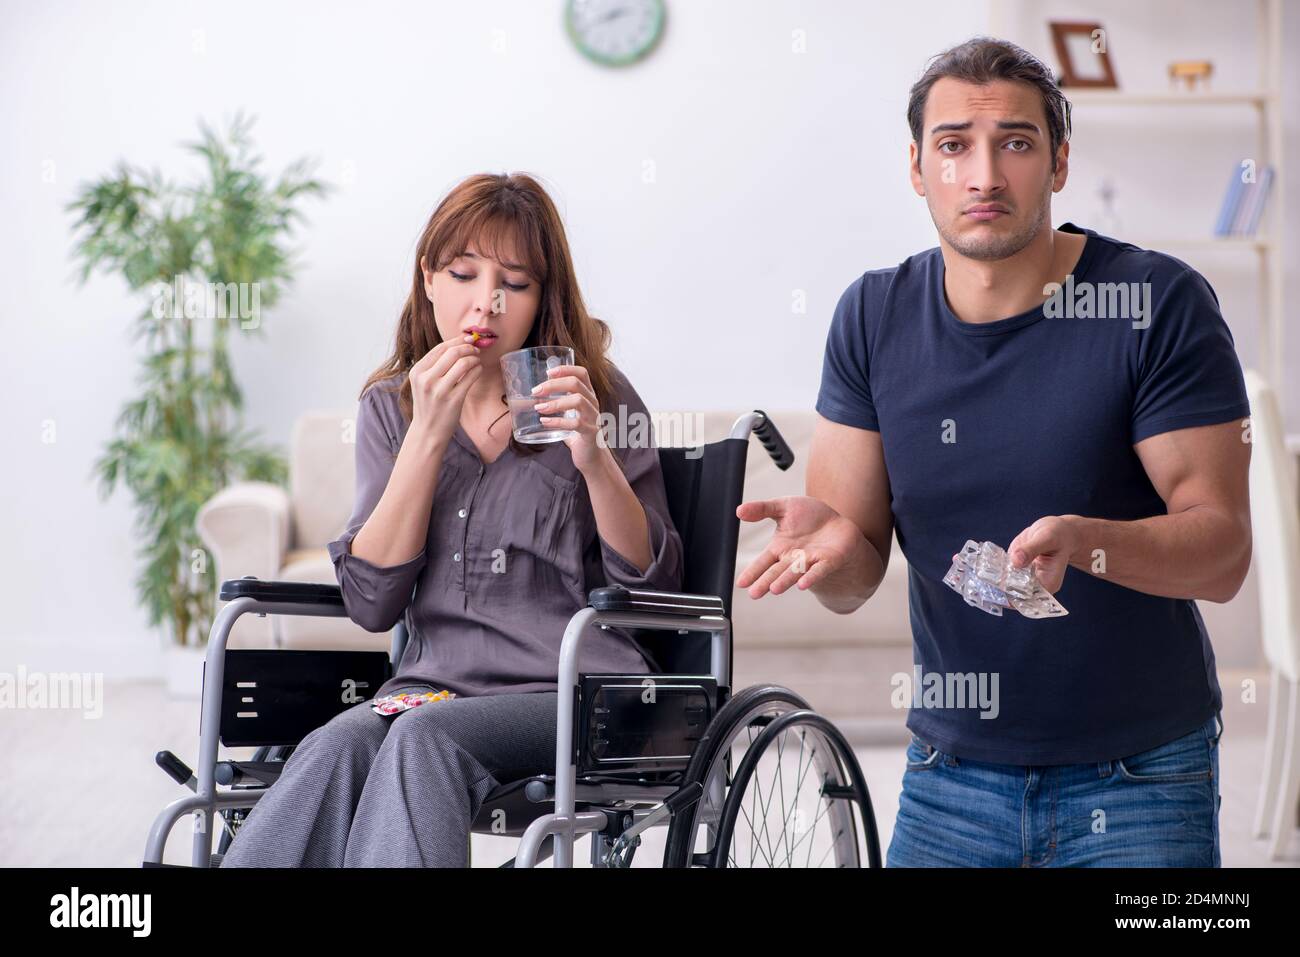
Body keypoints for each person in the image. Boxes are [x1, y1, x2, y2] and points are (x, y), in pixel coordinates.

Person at [736, 38, 1250, 867]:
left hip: (1141, 773)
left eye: (1015, 142)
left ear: (1058, 164)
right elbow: (853, 576)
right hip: (951, 776)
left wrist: (1089, 541)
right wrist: (830, 550)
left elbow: (1222, 552)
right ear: (916, 168)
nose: (984, 175)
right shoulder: (871, 316)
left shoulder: (1157, 302)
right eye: (954, 147)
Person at [221, 172, 684, 867]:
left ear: (542, 299)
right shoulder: (391, 408)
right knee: (335, 744)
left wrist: (593, 457)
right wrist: (427, 435)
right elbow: (373, 602)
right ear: (429, 278)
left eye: (516, 283)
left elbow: (653, 587)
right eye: (464, 273)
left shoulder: (596, 395)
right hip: (434, 687)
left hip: (572, 690)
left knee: (423, 739)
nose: (486, 301)